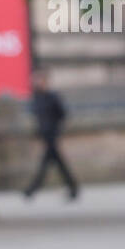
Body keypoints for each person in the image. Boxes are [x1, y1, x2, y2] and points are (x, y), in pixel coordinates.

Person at [23, 67, 79, 200]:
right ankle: (72, 188)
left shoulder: (52, 97)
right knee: (59, 164)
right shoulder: (37, 98)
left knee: (47, 165)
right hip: (45, 135)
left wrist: (56, 130)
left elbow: (62, 114)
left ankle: (31, 190)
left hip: (52, 135)